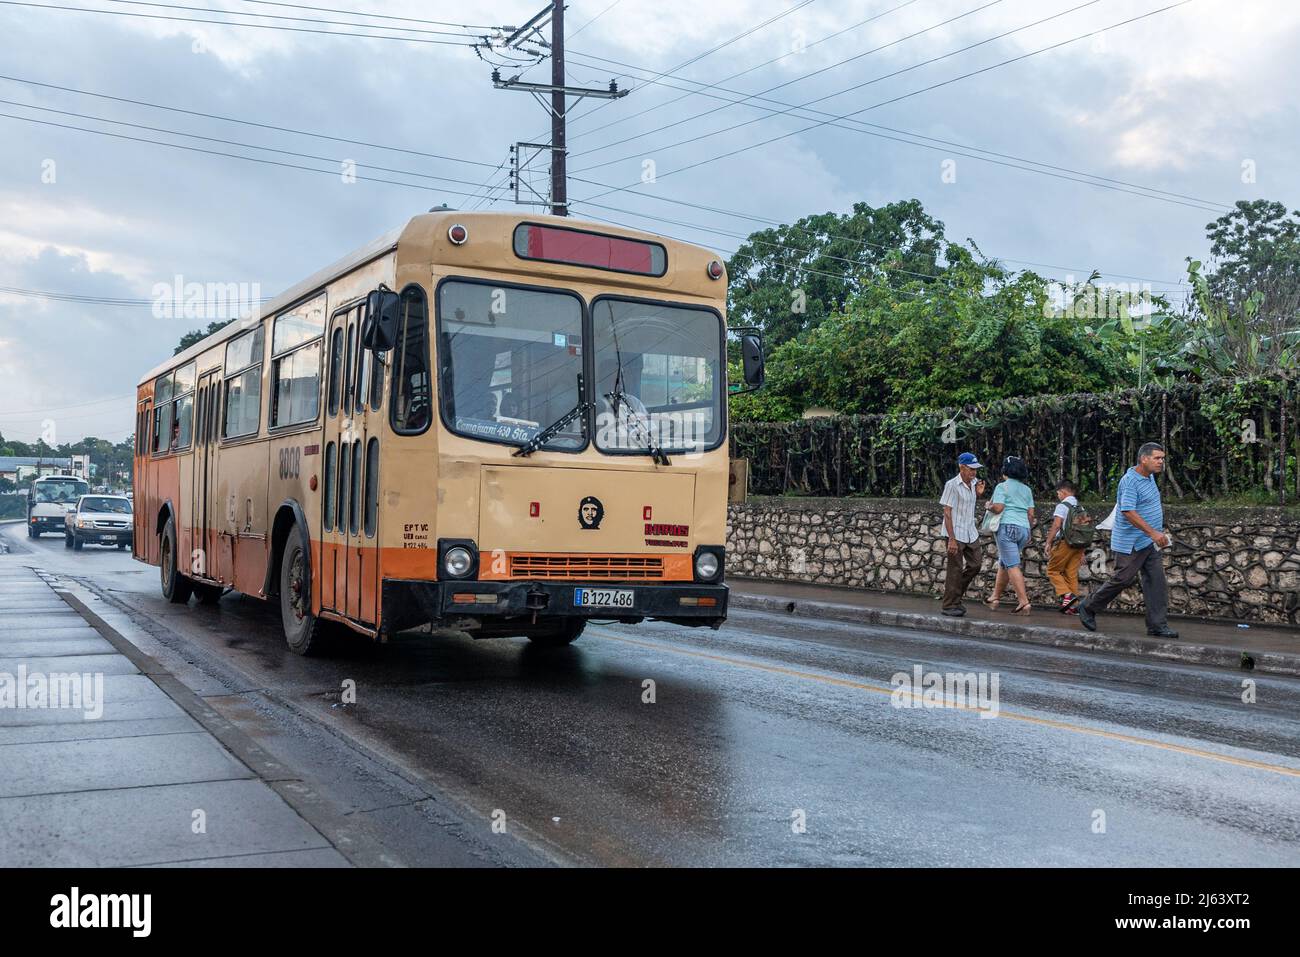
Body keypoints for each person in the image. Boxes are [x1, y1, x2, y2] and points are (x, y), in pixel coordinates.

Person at [1078, 442, 1178, 638]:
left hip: (1149, 542)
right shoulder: (1130, 481)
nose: (1161, 462)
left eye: (1162, 459)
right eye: (1157, 458)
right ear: (1144, 459)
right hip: (1132, 541)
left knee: (1156, 582)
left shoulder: (1148, 477)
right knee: (1122, 579)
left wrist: (1155, 534)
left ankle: (1157, 625)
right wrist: (1152, 533)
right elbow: (1128, 511)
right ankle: (1088, 607)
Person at [984, 455, 1035, 614]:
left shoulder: (1002, 487)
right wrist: (1029, 532)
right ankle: (995, 597)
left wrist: (988, 506)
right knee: (1004, 563)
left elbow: (998, 508)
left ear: (1005, 471)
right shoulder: (1027, 489)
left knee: (1012, 565)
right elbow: (1031, 514)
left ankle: (1023, 602)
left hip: (1007, 527)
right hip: (1024, 529)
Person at [938, 452, 986, 616]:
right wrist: (951, 539)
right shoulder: (952, 485)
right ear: (962, 467)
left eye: (975, 469)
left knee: (976, 564)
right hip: (955, 532)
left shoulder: (974, 484)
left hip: (970, 531)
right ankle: (949, 605)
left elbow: (969, 504)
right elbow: (947, 512)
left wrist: (979, 494)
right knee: (955, 569)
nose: (974, 472)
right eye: (971, 469)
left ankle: (955, 596)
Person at [1045, 479, 1088, 613]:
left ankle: (1067, 595)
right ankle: (1072, 607)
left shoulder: (1062, 506)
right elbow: (1084, 530)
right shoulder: (1080, 508)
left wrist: (1048, 542)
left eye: (1058, 493)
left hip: (1064, 542)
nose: (1058, 496)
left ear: (1063, 492)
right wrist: (1082, 551)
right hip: (1078, 545)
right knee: (1071, 574)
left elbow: (1057, 525)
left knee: (1052, 570)